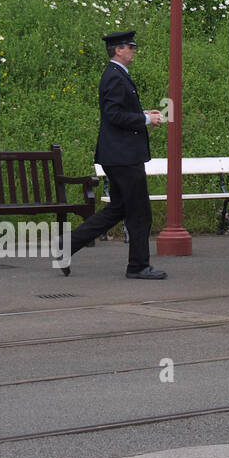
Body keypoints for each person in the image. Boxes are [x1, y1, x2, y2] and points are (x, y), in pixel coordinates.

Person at [64, 31, 167, 279]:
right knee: (140, 212)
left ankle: (66, 245)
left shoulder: (117, 75)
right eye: (130, 47)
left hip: (119, 155)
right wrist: (144, 119)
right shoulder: (114, 76)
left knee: (119, 208)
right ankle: (138, 266)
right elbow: (113, 115)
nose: (134, 50)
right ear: (118, 50)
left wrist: (143, 112)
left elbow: (119, 111)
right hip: (123, 156)